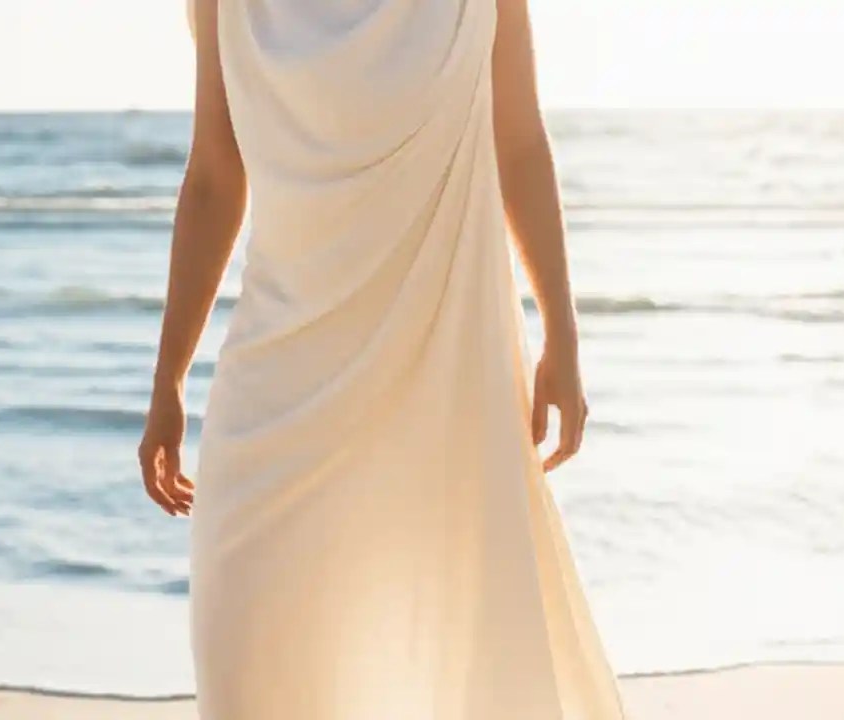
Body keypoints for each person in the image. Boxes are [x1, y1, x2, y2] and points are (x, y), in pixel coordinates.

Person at [138, 1, 626, 717]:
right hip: (273, 412)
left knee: (472, 673)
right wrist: (168, 382)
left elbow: (519, 141)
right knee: (249, 679)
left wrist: (562, 329)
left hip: (444, 397)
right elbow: (214, 175)